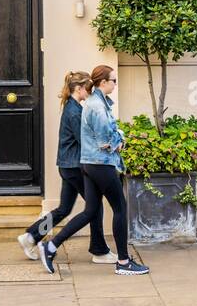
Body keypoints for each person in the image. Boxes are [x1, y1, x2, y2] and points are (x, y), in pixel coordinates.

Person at [37, 64, 149, 276]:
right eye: (113, 81)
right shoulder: (96, 106)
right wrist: (121, 138)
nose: (116, 84)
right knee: (120, 209)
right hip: (101, 164)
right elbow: (105, 139)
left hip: (89, 164)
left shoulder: (96, 103)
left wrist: (116, 134)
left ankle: (49, 247)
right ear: (103, 82)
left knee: (90, 211)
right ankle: (124, 262)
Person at [17, 72, 115, 264]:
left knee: (64, 209)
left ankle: (31, 236)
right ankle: (99, 250)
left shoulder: (72, 107)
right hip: (75, 166)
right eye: (88, 88)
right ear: (78, 89)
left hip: (67, 165)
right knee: (94, 208)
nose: (90, 92)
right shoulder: (75, 112)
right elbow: (85, 140)